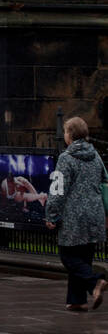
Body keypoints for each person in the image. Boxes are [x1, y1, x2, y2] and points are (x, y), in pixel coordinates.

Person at [44, 116, 107, 312]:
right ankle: (76, 300)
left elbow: (58, 189)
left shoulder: (66, 157)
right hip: (94, 213)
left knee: (68, 256)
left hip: (74, 215)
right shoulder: (95, 155)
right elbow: (105, 180)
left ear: (70, 135)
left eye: (65, 132)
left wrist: (51, 215)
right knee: (83, 256)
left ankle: (95, 281)